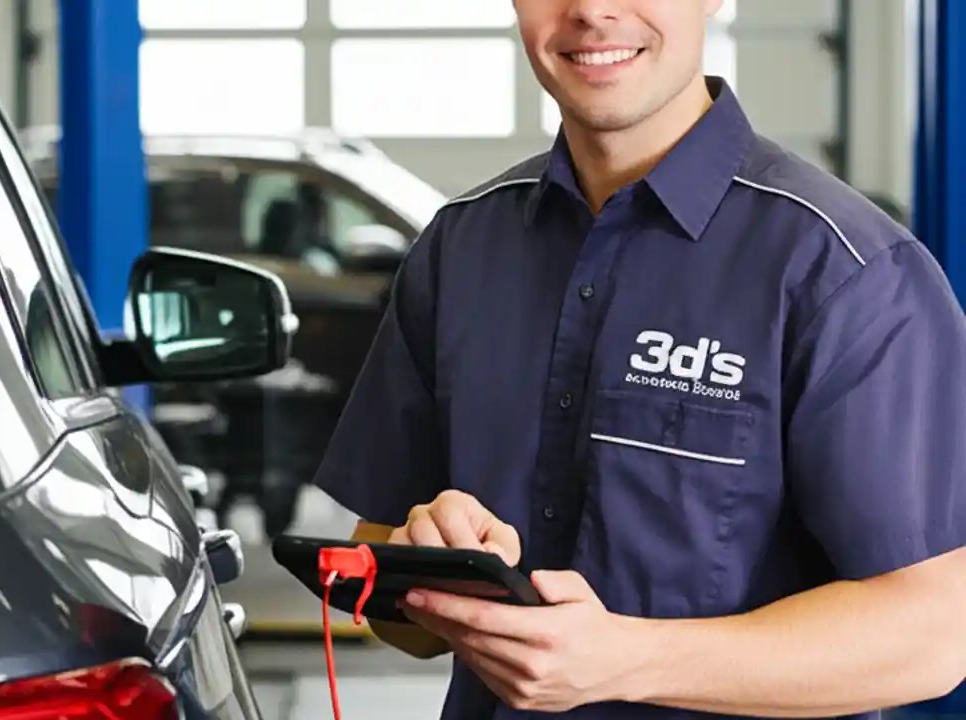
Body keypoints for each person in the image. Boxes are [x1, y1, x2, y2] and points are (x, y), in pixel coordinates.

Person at [310, 1, 966, 718]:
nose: (592, 9)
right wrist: (432, 564)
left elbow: (935, 633)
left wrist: (623, 661)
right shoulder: (459, 250)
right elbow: (384, 597)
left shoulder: (842, 271)